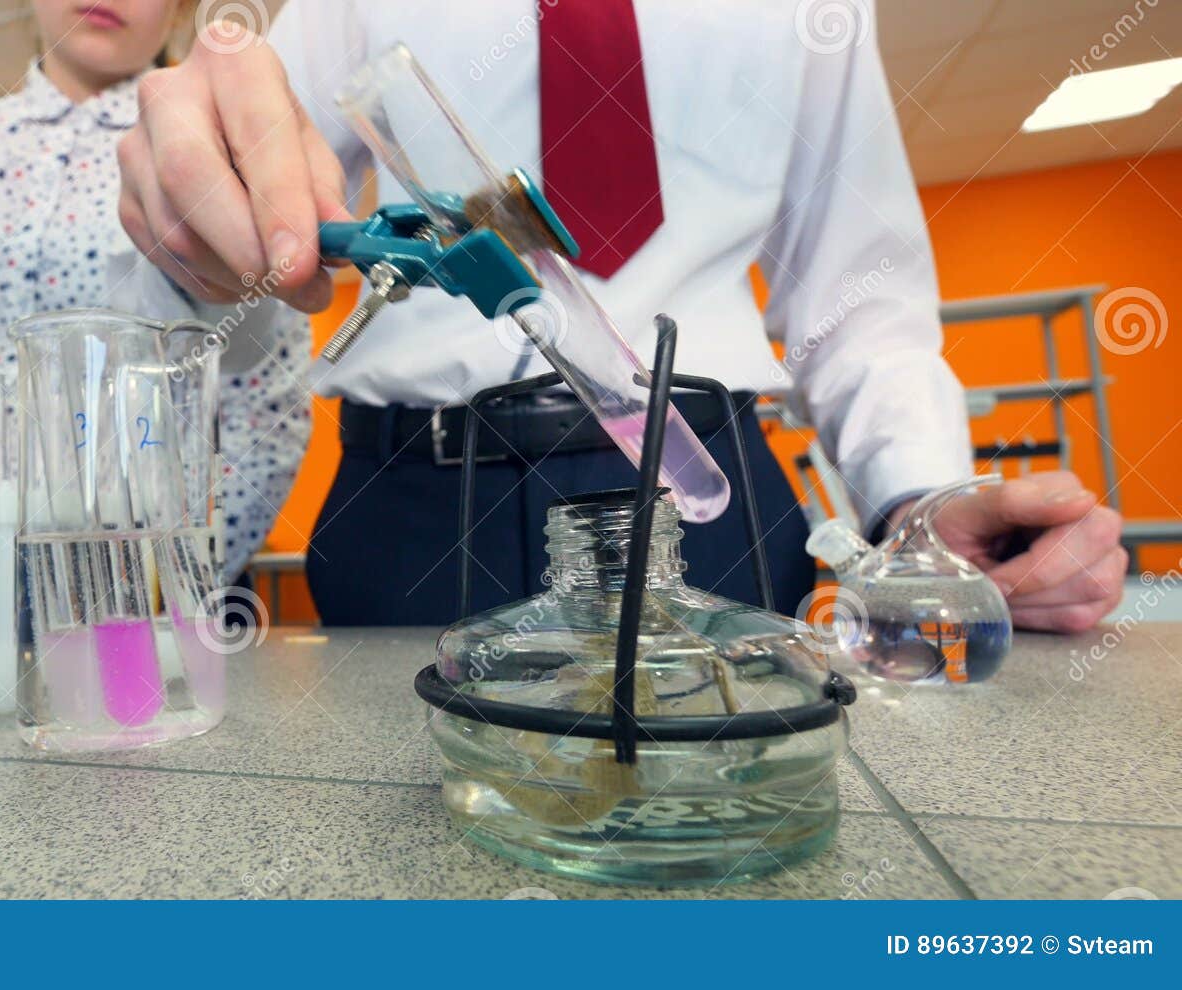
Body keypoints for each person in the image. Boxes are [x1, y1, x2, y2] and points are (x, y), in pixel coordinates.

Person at [116, 0, 1127, 632]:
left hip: (707, 495)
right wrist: (207, 216)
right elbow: (259, 233)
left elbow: (862, 297)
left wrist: (919, 511)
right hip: (417, 500)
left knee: (719, 849)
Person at [0, 0, 310, 607]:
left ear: (178, 8)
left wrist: (166, 591)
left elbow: (263, 405)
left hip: (119, 599)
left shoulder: (212, 148)